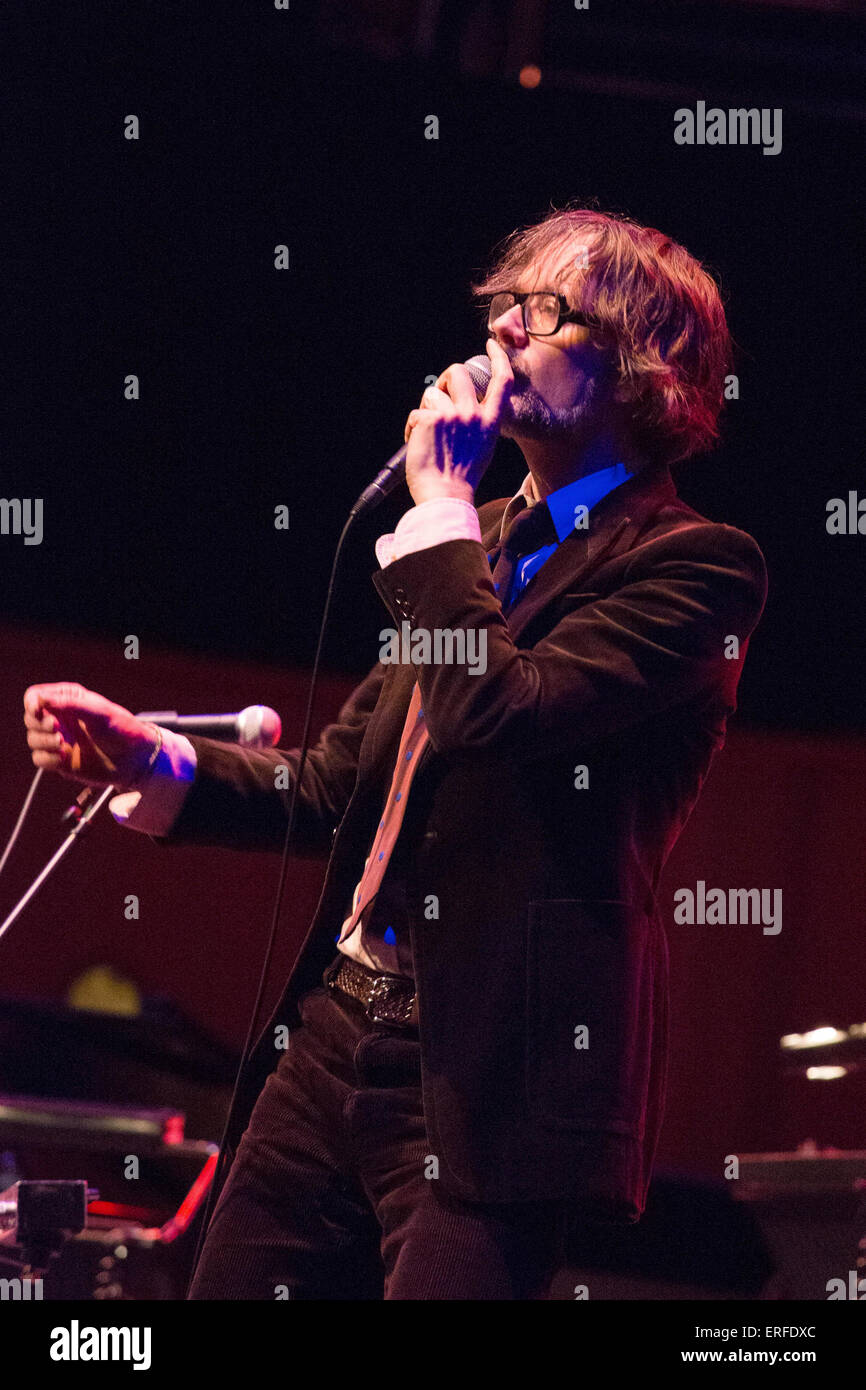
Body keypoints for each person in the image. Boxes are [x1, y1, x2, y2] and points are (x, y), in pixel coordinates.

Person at [23, 207, 768, 1300]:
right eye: (502, 304)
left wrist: (443, 508)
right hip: (336, 1025)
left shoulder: (695, 569)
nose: (506, 331)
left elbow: (495, 711)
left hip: (494, 1071)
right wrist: (151, 762)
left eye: (547, 309)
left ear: (643, 369)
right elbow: (337, 786)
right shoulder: (478, 544)